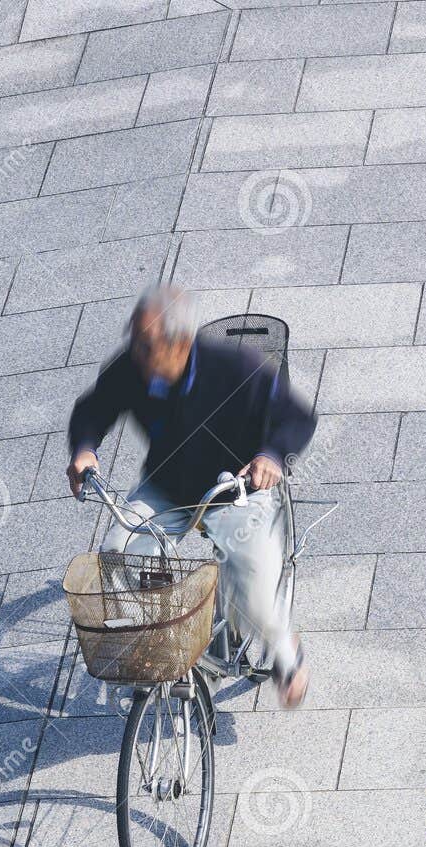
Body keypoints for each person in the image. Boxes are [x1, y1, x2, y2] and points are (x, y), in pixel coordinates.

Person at [67, 284, 316, 707]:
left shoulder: (235, 368)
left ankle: (286, 651)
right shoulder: (132, 367)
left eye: (146, 346)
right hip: (168, 488)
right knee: (117, 552)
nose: (136, 356)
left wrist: (271, 455)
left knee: (255, 588)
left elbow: (296, 417)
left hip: (237, 490)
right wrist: (85, 449)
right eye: (135, 342)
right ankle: (151, 642)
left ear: (179, 343)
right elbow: (93, 408)